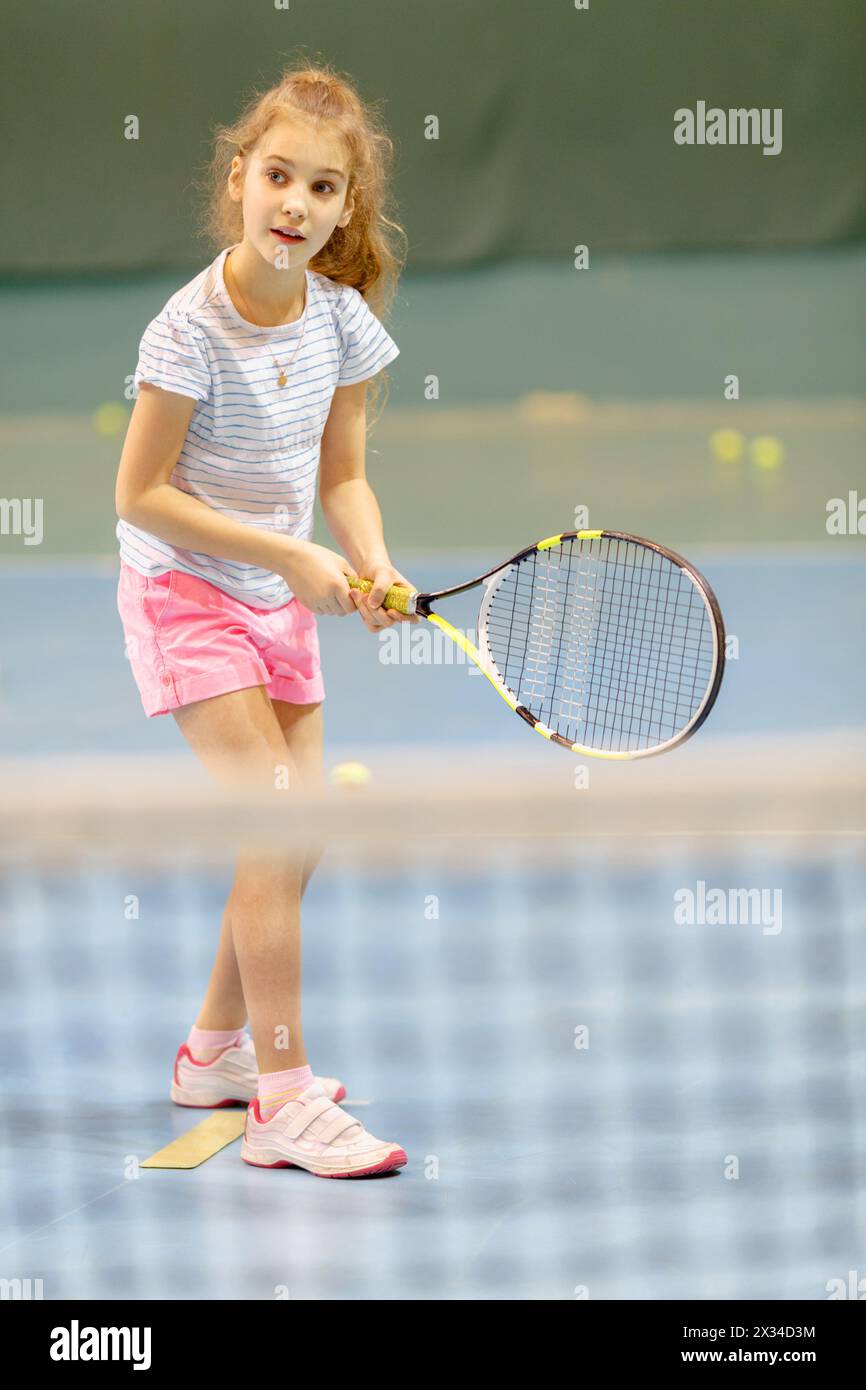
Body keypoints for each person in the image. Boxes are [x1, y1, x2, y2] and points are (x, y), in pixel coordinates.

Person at [114, 62, 418, 1179]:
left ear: (346, 213)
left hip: (272, 598)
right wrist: (295, 555)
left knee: (299, 831)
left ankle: (211, 1052)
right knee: (278, 818)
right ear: (239, 181)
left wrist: (370, 559)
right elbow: (136, 494)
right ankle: (281, 1099)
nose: (294, 203)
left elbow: (342, 475)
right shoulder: (184, 331)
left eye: (322, 189)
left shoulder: (337, 322)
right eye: (277, 176)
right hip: (183, 592)